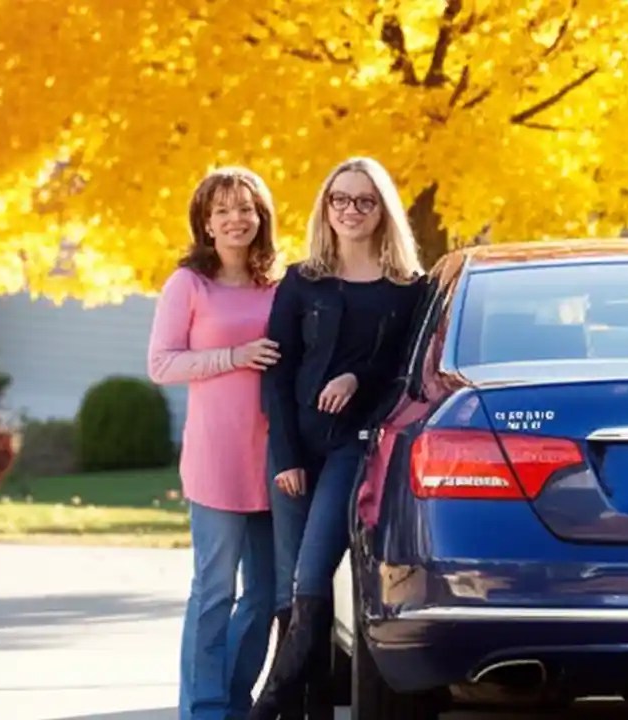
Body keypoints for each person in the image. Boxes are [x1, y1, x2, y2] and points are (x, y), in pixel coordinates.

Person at [252, 157, 426, 719]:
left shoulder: (407, 290)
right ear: (325, 208)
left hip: (354, 446)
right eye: (340, 199)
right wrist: (283, 456)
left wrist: (357, 378)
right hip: (296, 446)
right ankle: (307, 711)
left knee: (312, 573)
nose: (350, 210)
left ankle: (267, 704)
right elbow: (276, 371)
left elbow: (405, 372)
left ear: (383, 212)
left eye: (364, 201)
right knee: (287, 590)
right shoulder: (302, 280)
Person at [147, 166, 281, 720]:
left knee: (267, 594)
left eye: (245, 209)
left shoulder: (280, 281)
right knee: (214, 591)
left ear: (261, 217)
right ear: (205, 220)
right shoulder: (188, 285)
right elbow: (161, 364)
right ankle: (202, 709)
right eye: (223, 210)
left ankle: (233, 700)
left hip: (274, 458)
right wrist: (234, 356)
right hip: (216, 458)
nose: (235, 219)